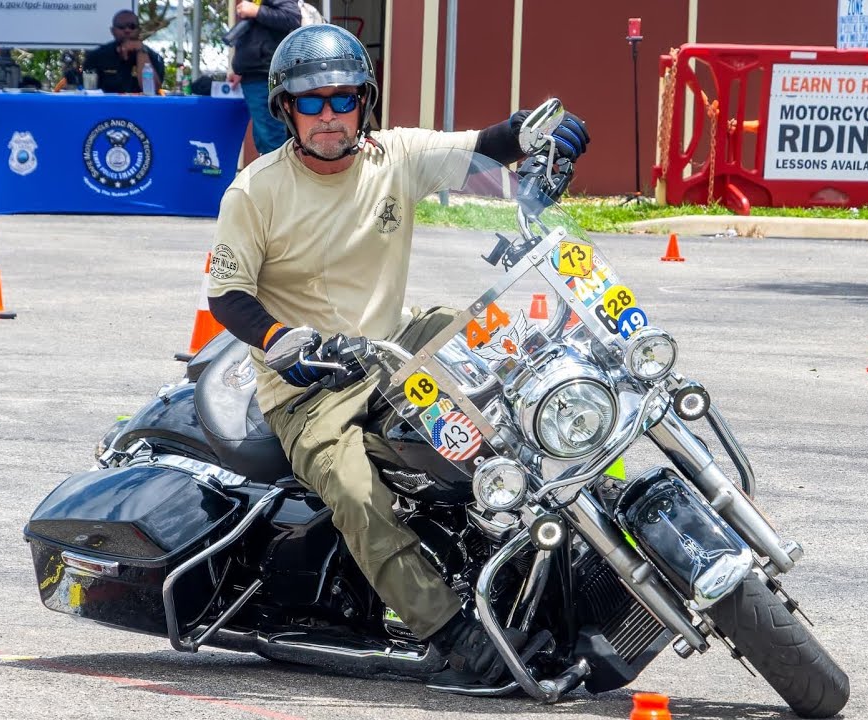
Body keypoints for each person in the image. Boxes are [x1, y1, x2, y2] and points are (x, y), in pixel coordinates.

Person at [206, 24, 589, 686]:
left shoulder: (396, 156)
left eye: (343, 99)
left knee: (489, 336)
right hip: (310, 382)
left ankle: (577, 483)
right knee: (355, 489)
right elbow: (228, 296)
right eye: (312, 102)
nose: (329, 116)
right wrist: (278, 342)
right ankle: (450, 630)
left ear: (364, 101)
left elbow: (487, 145)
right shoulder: (255, 191)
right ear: (285, 110)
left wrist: (539, 134)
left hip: (389, 343)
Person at [225, 0, 301, 154]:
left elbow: (292, 17)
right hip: (254, 75)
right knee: (264, 137)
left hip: (265, 76)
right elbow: (257, 36)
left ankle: (278, 176)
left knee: (270, 138)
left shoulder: (258, 7)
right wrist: (241, 70)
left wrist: (256, 11)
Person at [82, 10, 166, 94]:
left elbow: (153, 91)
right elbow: (88, 91)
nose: (127, 30)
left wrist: (141, 51)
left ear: (139, 30)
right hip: (106, 105)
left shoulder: (153, 57)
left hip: (140, 105)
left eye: (132, 26)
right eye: (121, 27)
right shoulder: (96, 56)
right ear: (113, 31)